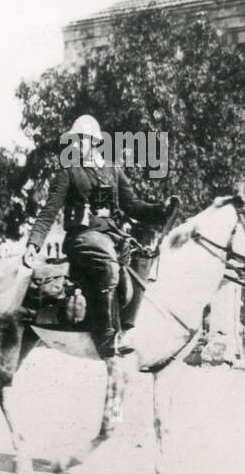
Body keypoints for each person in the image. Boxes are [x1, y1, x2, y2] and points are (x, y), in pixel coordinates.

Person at [23, 114, 177, 358]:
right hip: (82, 238)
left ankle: (127, 326)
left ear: (94, 142)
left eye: (80, 141)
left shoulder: (112, 171)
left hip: (110, 236)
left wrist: (161, 208)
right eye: (73, 141)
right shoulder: (69, 173)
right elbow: (48, 212)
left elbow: (133, 205)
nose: (75, 146)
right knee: (108, 262)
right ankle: (106, 338)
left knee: (142, 260)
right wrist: (34, 244)